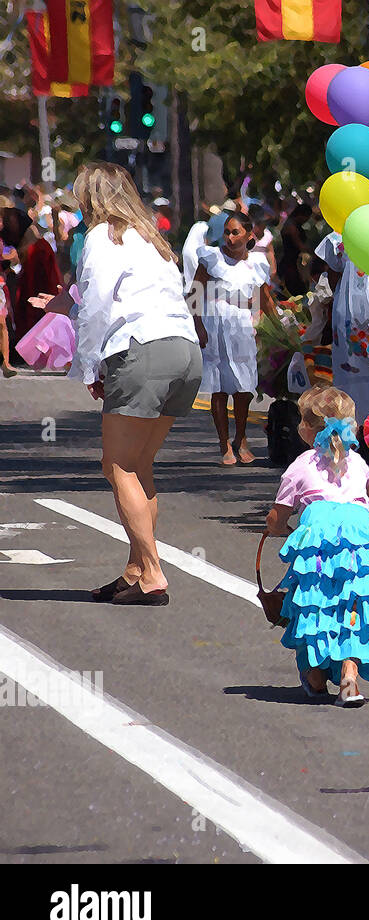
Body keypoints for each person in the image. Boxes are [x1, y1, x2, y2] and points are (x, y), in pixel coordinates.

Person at [37, 162, 202, 604]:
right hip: (183, 351)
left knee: (118, 466)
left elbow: (97, 306)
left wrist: (88, 367)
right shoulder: (153, 237)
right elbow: (136, 303)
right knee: (138, 465)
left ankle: (151, 571)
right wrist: (64, 309)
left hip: (142, 351)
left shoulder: (100, 236)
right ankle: (135, 569)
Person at [265, 386, 369, 706]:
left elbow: (276, 516)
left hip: (319, 544)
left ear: (306, 429)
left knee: (314, 605)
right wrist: (367, 512)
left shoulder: (300, 465)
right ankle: (350, 676)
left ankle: (315, 678)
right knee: (355, 606)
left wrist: (281, 529)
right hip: (358, 539)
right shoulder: (357, 462)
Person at [191, 210, 276, 466]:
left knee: (243, 385)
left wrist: (280, 328)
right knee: (219, 387)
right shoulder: (211, 259)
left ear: (249, 235)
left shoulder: (256, 263)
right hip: (215, 324)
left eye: (235, 232)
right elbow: (194, 295)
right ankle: (223, 441)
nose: (229, 237)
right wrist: (199, 326)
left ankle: (241, 437)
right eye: (227, 232)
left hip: (241, 325)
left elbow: (265, 299)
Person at [315, 230, 369, 423]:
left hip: (350, 315)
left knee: (352, 381)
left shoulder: (340, 238)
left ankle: (354, 433)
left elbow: (333, 275)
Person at [2, 204, 61, 346]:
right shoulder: (37, 247)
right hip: (38, 290)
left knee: (33, 304)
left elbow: (35, 287)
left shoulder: (37, 250)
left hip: (39, 294)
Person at [278, 203, 314, 296]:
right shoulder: (292, 226)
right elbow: (299, 244)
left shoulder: (293, 224)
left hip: (294, 259)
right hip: (291, 259)